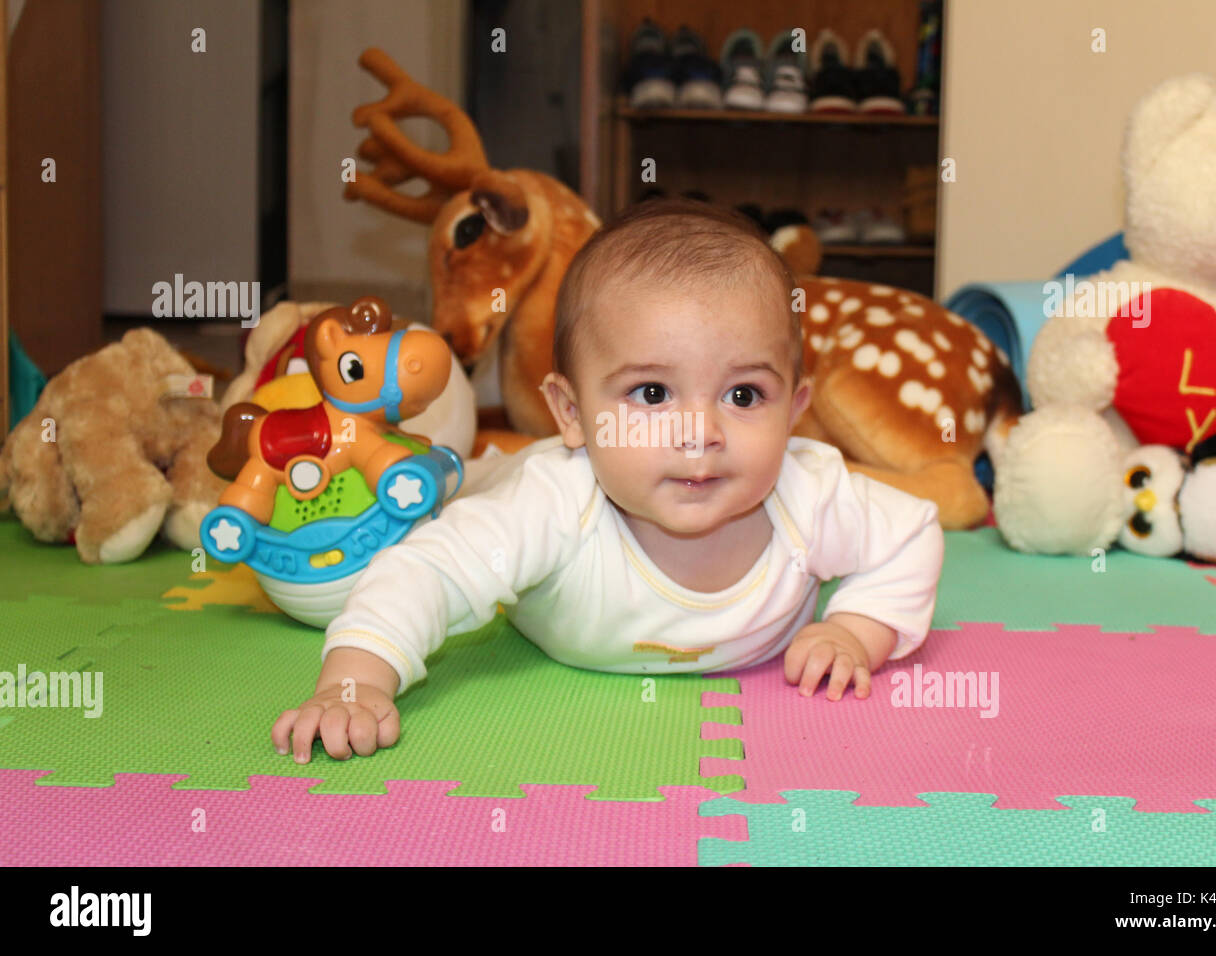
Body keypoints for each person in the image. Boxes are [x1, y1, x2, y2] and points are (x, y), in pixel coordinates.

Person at [272, 198, 944, 763]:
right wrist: (355, 681)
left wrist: (856, 630)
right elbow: (428, 571)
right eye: (652, 393)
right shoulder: (553, 504)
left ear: (795, 413)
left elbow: (911, 531)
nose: (698, 432)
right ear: (572, 412)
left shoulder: (809, 493)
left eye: (743, 396)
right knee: (454, 498)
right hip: (508, 481)